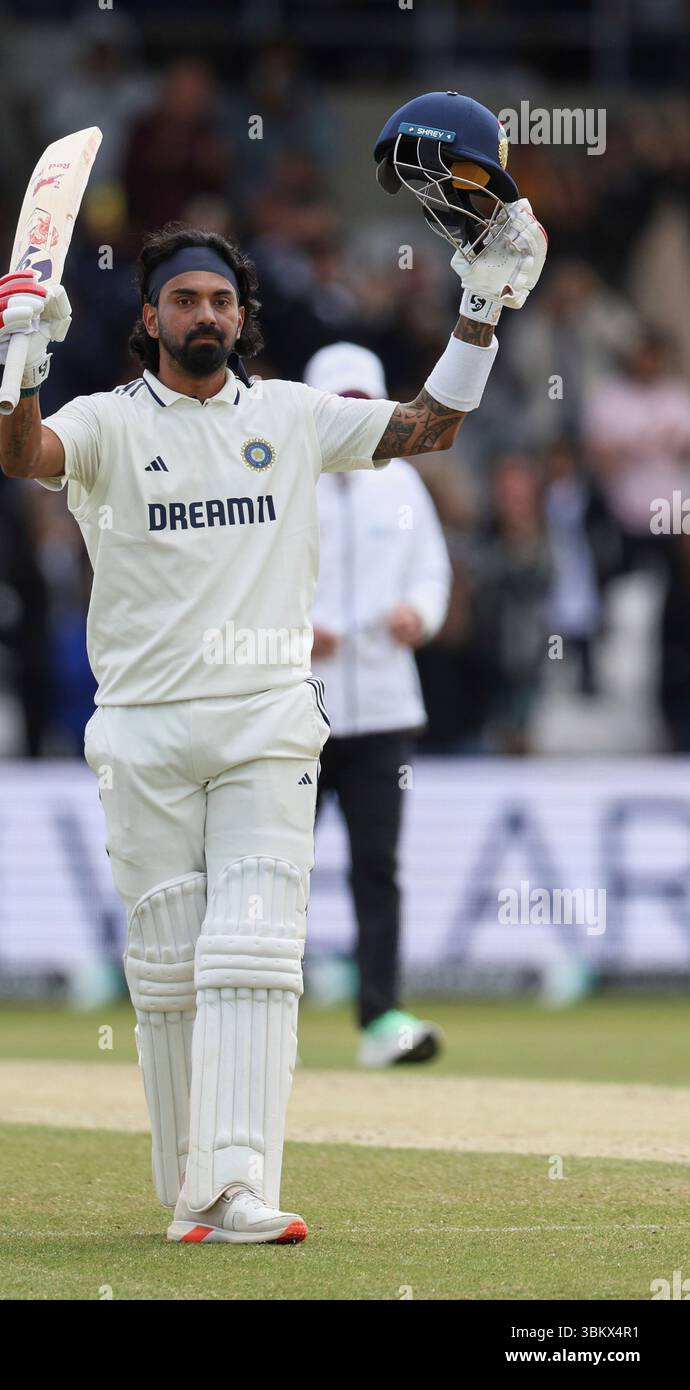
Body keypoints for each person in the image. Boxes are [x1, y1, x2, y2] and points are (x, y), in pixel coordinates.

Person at [0, 156, 545, 1243]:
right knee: (168, 969)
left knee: (250, 950)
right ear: (148, 317)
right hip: (141, 726)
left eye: (221, 300)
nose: (204, 313)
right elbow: (19, 455)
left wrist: (478, 309)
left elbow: (428, 426)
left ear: (242, 319)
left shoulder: (291, 416)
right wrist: (18, 367)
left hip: (266, 719)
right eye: (183, 298)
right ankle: (193, 1190)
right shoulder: (100, 421)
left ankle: (234, 1189)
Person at [305, 342, 451, 1066]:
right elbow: (244, 580)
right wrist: (293, 633)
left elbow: (433, 571)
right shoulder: (282, 480)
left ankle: (380, 1018)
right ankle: (259, 1015)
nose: (358, 418)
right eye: (344, 404)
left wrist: (416, 617)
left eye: (368, 404)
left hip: (386, 708)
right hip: (296, 707)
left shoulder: (401, 485)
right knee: (275, 868)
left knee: (377, 867)